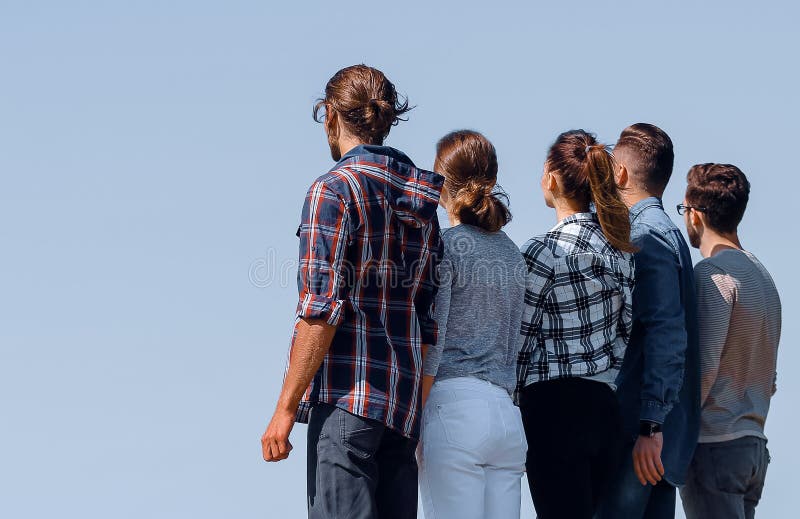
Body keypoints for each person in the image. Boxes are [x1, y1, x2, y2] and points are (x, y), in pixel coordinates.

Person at [260, 64, 444, 519]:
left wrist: (284, 410)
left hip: (347, 400)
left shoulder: (334, 191)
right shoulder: (422, 202)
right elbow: (427, 318)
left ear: (330, 116)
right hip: (401, 413)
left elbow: (320, 311)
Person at [516, 130, 636, 519]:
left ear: (551, 178)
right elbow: (627, 332)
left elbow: (521, 337)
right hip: (605, 408)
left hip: (553, 408)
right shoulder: (620, 248)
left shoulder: (541, 250)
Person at [418, 130, 528, 519]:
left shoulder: (445, 246)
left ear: (441, 185)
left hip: (453, 409)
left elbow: (436, 335)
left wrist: (415, 414)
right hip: (506, 416)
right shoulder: (514, 254)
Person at [597, 123, 700, 519]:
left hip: (640, 434)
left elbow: (666, 330)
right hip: (660, 435)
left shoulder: (645, 234)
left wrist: (650, 425)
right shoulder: (669, 233)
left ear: (620, 174)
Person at [677, 164, 781, 519]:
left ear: (695, 215)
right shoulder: (762, 275)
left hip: (715, 446)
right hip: (753, 444)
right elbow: (771, 380)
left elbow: (703, 370)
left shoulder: (712, 275)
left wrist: (667, 436)